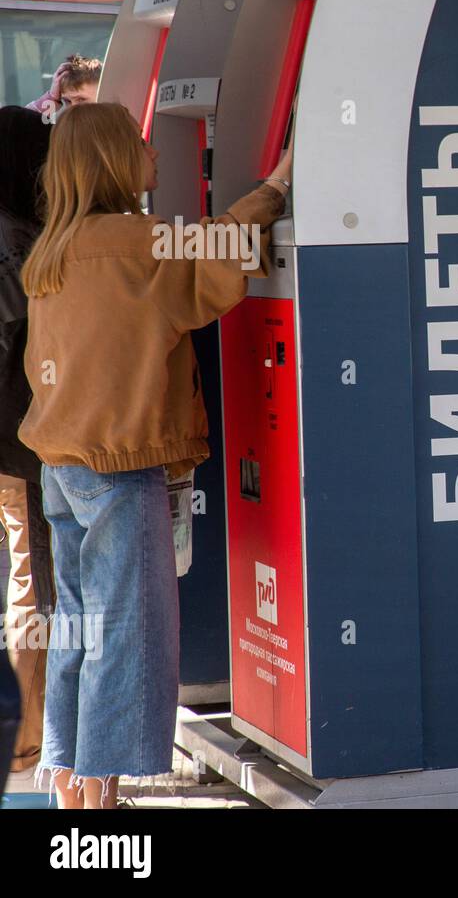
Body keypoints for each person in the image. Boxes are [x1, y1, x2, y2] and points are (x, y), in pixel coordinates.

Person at [19, 102, 291, 808]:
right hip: (119, 465)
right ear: (114, 159)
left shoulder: (58, 244)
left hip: (63, 463)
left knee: (79, 631)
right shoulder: (137, 243)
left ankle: (70, 786)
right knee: (128, 635)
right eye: (141, 142)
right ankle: (102, 799)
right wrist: (281, 183)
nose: (157, 150)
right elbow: (219, 251)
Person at [0, 105, 55, 776]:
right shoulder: (21, 243)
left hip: (11, 449)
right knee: (34, 588)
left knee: (22, 578)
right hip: (22, 446)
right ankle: (26, 739)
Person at [26, 55, 102, 122]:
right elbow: (21, 124)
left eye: (81, 100)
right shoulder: (68, 130)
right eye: (67, 101)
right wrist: (52, 98)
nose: (71, 109)